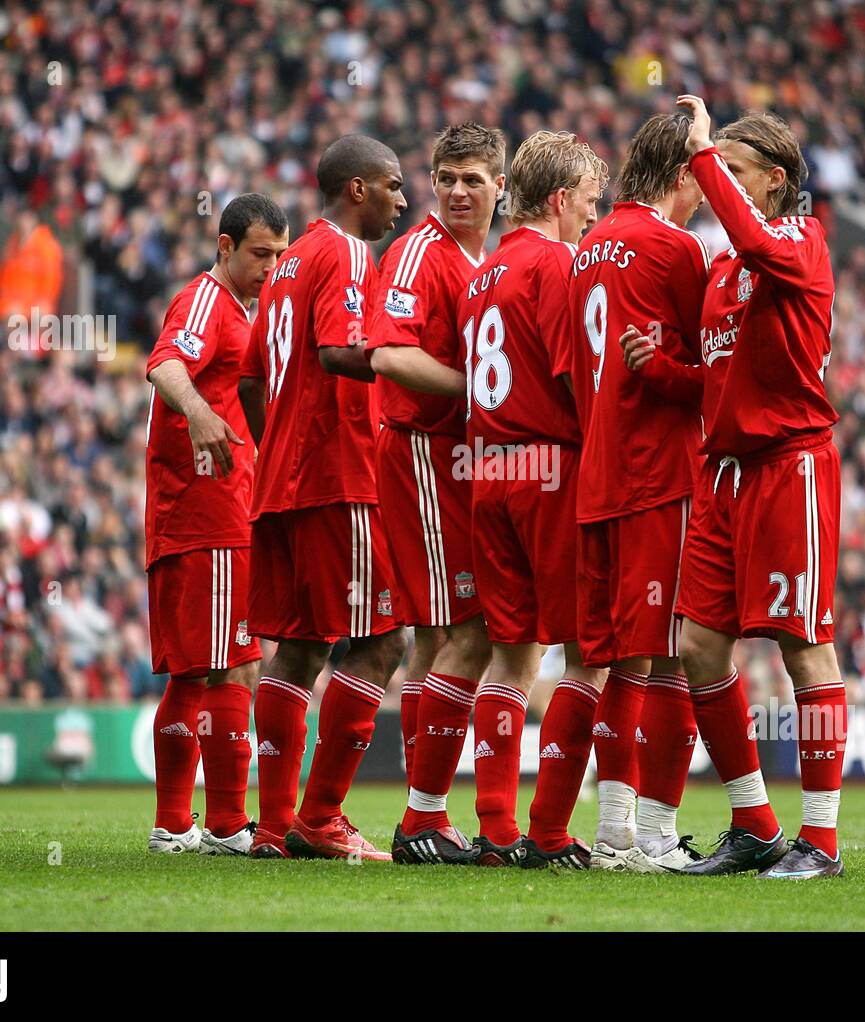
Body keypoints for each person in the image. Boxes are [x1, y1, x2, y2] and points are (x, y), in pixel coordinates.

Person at [669, 95, 846, 878]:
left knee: (803, 646)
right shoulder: (723, 269)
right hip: (724, 472)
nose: (717, 186)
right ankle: (754, 823)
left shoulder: (800, 242)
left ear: (774, 182)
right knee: (698, 647)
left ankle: (823, 843)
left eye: (735, 174)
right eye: (716, 171)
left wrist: (704, 150)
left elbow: (749, 230)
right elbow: (721, 381)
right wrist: (664, 371)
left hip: (790, 465)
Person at [237, 135, 409, 861]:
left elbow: (249, 379)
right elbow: (341, 353)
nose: (404, 200)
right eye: (394, 185)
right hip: (340, 478)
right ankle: (322, 816)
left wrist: (280, 441)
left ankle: (275, 825)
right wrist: (420, 368)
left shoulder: (287, 264)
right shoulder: (342, 253)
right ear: (359, 189)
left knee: (301, 647)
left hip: (283, 480)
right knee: (381, 639)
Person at [454, 130, 609, 868]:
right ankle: (550, 833)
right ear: (558, 198)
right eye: (586, 200)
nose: (590, 213)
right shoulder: (557, 262)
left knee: (509, 658)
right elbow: (573, 373)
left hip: (488, 471)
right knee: (588, 656)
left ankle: (495, 828)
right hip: (551, 467)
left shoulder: (484, 271)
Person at [567, 112, 711, 872]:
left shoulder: (585, 248)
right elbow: (713, 375)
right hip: (661, 475)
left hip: (597, 480)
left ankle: (614, 832)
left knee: (623, 659)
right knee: (677, 656)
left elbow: (570, 372)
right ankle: (651, 834)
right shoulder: (676, 247)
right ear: (683, 175)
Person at [365, 123, 506, 865]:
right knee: (470, 629)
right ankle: (425, 817)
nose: (456, 191)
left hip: (458, 457)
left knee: (432, 638)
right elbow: (387, 353)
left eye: (472, 179)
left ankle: (431, 814)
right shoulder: (420, 252)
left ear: (500, 189)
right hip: (424, 450)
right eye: (446, 177)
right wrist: (481, 393)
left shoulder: (485, 258)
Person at [144, 193, 289, 855]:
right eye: (260, 253)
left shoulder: (241, 311)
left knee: (220, 668)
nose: (271, 266)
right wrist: (200, 413)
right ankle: (201, 825)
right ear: (225, 246)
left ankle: (204, 824)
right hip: (206, 513)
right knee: (216, 670)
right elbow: (166, 361)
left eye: (279, 254)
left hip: (213, 515)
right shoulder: (206, 299)